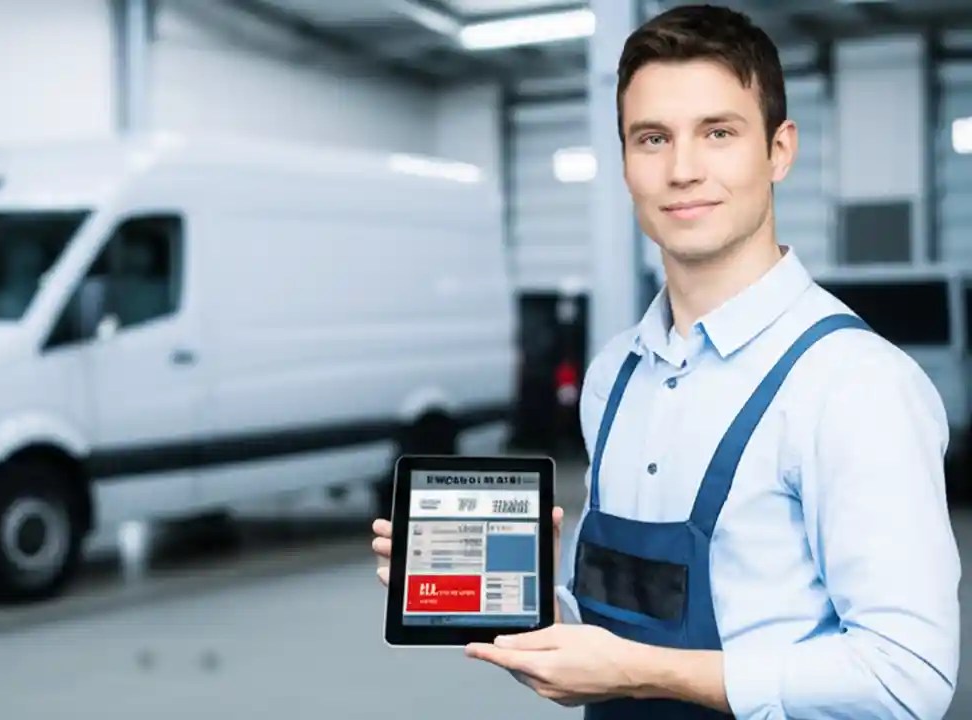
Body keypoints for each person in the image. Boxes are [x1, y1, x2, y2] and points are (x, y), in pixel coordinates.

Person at [371, 4, 961, 718]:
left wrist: (643, 672)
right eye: (652, 138)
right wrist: (516, 599)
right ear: (624, 161)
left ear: (779, 150)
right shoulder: (614, 375)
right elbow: (621, 632)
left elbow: (908, 680)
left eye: (718, 133)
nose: (683, 170)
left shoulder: (855, 386)